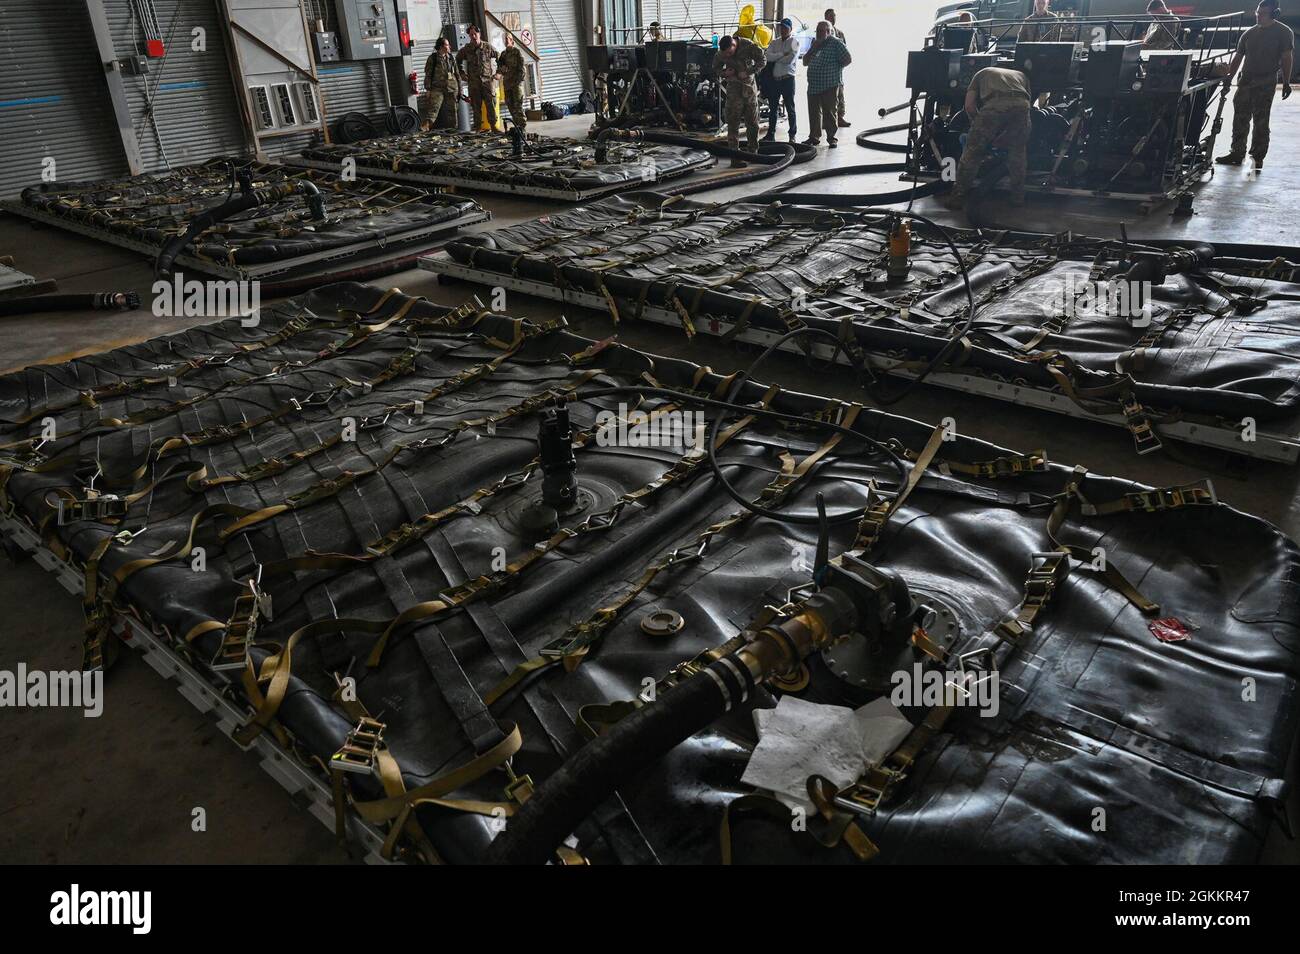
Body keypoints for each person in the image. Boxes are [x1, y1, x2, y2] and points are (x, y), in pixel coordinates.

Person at [1216, 0, 1294, 170]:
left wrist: (1286, 82)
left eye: (1263, 13)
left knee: (1261, 120)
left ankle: (1257, 156)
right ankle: (1237, 152)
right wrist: (1230, 76)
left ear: (1274, 14)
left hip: (1266, 81)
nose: (1258, 16)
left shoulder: (1283, 32)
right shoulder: (1249, 33)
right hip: (1246, 80)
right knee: (1240, 117)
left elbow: (1286, 57)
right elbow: (1238, 57)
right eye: (1257, 13)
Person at [942, 65, 1032, 211]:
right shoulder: (1021, 75)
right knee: (1018, 152)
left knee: (972, 153)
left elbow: (969, 106)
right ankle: (1018, 197)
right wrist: (1005, 134)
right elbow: (1026, 106)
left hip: (995, 106)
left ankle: (957, 198)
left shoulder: (981, 73)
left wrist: (977, 126)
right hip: (1023, 106)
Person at [713, 34, 766, 167]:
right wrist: (725, 73)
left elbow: (763, 60)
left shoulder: (748, 45)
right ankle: (735, 157)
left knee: (753, 124)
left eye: (730, 52)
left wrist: (749, 71)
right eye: (726, 54)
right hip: (733, 92)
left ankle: (753, 153)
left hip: (749, 91)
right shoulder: (722, 53)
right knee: (733, 124)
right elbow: (715, 67)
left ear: (734, 45)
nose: (728, 56)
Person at [803, 19, 852, 147]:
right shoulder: (815, 43)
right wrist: (812, 49)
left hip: (829, 84)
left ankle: (832, 138)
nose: (818, 33)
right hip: (814, 85)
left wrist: (836, 69)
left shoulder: (836, 43)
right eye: (817, 31)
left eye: (821, 31)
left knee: (830, 112)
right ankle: (814, 137)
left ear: (829, 32)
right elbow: (805, 62)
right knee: (814, 112)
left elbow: (848, 59)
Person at [456, 25, 498, 131]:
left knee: (491, 105)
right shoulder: (467, 49)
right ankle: (478, 128)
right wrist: (462, 74)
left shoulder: (488, 47)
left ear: (479, 34)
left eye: (475, 34)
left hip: (487, 82)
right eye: (471, 35)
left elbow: (500, 58)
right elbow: (457, 61)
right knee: (476, 107)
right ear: (469, 36)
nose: (474, 36)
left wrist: (499, 73)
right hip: (474, 83)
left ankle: (493, 127)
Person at [763, 18, 799, 142]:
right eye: (781, 27)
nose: (783, 30)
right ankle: (770, 134)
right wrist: (782, 54)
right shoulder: (774, 42)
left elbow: (789, 60)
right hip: (775, 80)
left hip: (788, 79)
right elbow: (767, 56)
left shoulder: (794, 42)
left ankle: (792, 135)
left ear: (790, 28)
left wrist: (776, 57)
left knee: (790, 108)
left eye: (785, 28)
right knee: (772, 108)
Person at [422, 36, 458, 130]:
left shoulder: (451, 58)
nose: (449, 46)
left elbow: (457, 74)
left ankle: (453, 131)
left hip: (451, 88)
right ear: (441, 47)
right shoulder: (433, 58)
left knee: (452, 111)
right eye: (447, 45)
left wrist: (460, 90)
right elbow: (428, 75)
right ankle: (425, 128)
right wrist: (428, 89)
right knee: (433, 109)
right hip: (437, 88)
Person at [496, 32, 528, 132]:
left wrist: (518, 82)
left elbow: (522, 69)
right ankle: (517, 126)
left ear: (512, 40)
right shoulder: (503, 54)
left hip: (516, 84)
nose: (506, 40)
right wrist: (498, 73)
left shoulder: (517, 52)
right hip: (507, 84)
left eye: (507, 38)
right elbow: (500, 68)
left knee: (518, 106)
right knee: (510, 106)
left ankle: (522, 128)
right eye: (504, 39)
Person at [824, 8, 850, 127]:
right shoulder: (822, 33)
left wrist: (841, 64)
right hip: (826, 71)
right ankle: (826, 120)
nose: (833, 18)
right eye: (830, 16)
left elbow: (845, 51)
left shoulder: (840, 33)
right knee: (826, 97)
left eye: (834, 16)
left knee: (840, 95)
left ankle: (840, 117)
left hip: (837, 69)